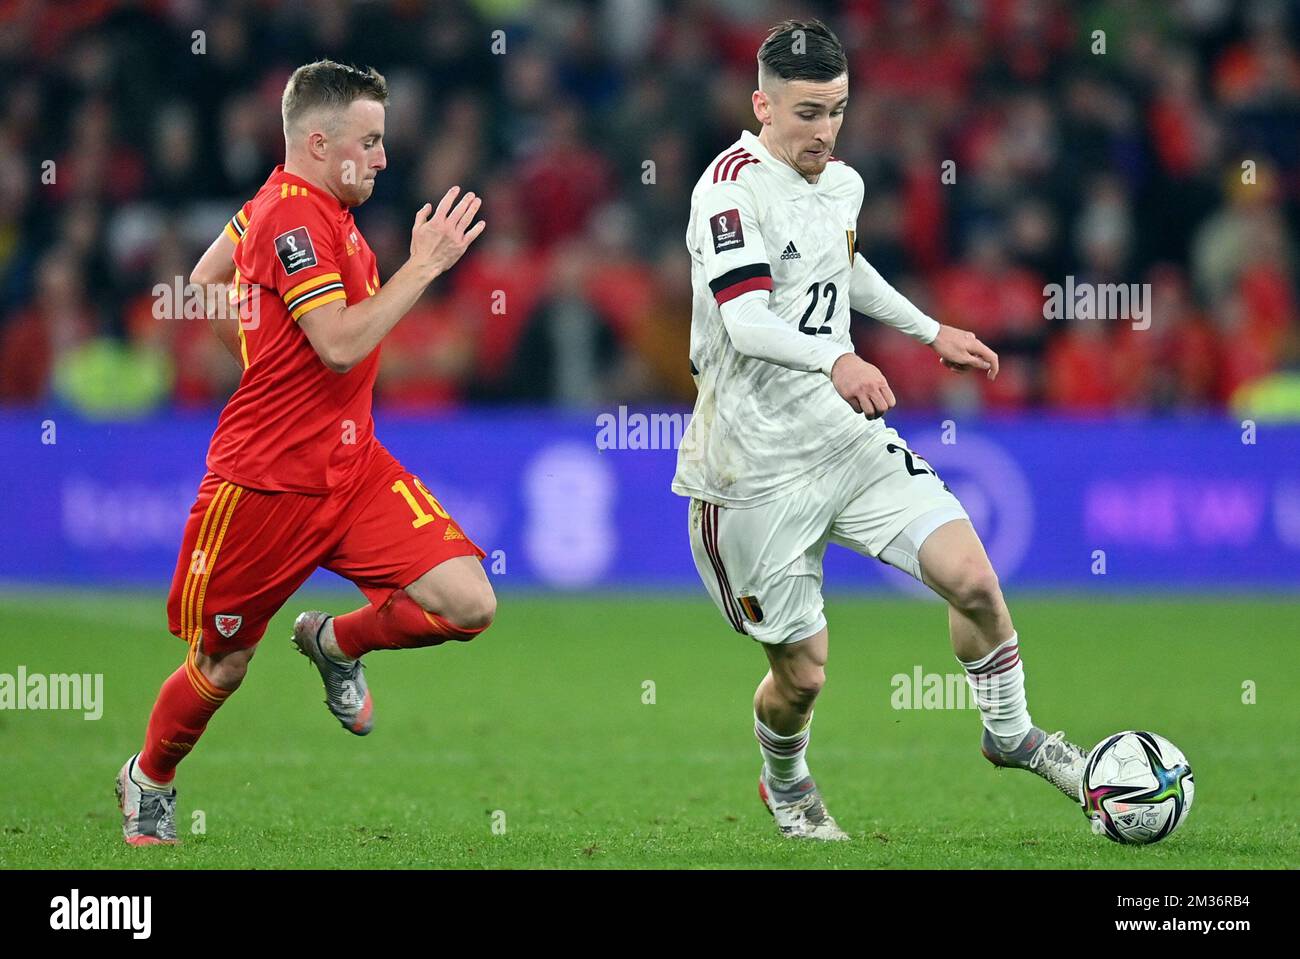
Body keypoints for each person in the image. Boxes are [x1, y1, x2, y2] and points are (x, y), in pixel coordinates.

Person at [672, 21, 1088, 841]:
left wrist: (931, 331)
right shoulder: (728, 191)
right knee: (803, 676)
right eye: (805, 113)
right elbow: (749, 320)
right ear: (762, 104)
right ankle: (785, 780)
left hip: (844, 440)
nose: (823, 131)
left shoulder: (842, 184)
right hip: (750, 474)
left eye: (836, 111)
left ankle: (1011, 734)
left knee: (973, 577)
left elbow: (841, 265)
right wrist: (835, 362)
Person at [115, 60, 494, 845]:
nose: (384, 158)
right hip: (265, 486)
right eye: (372, 141)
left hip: (351, 469)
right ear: (320, 143)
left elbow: (204, 277)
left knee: (469, 603)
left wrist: (258, 341)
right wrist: (424, 265)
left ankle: (333, 640)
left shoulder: (291, 205)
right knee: (222, 666)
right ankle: (148, 776)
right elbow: (340, 345)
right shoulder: (294, 221)